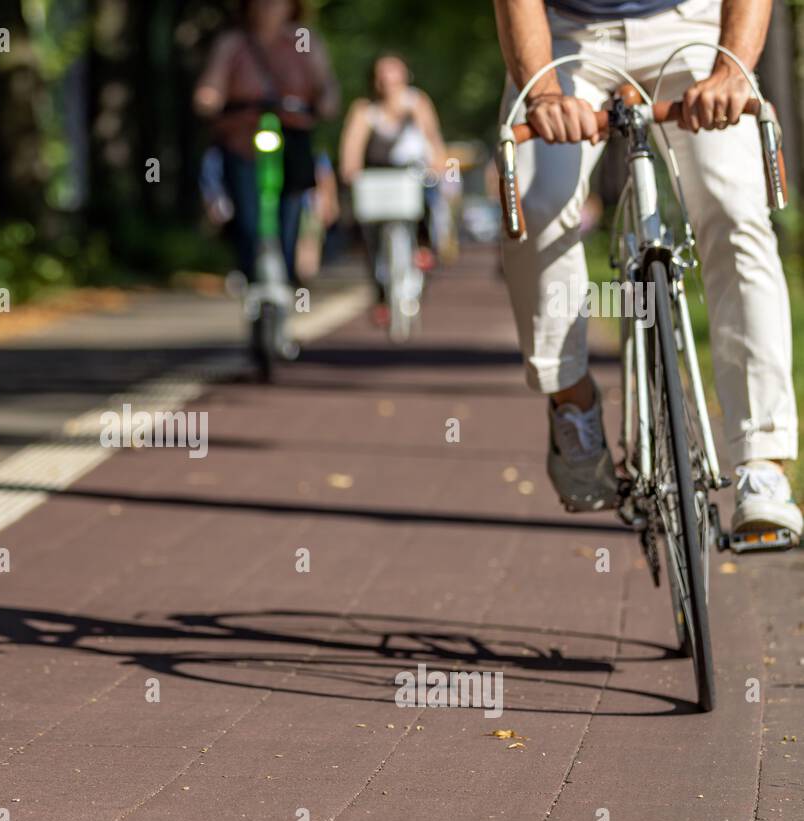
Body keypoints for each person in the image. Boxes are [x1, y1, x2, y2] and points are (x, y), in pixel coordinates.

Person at [494, 0, 801, 536]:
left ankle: (762, 462)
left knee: (735, 209)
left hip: (694, 22)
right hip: (569, 34)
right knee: (538, 201)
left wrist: (731, 68)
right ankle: (572, 403)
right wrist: (543, 95)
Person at [193, 0, 340, 286]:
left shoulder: (303, 39)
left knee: (291, 209)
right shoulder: (233, 43)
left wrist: (325, 102)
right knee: (246, 212)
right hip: (243, 136)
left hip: (293, 132)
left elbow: (325, 85)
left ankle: (286, 271)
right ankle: (248, 269)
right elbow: (212, 84)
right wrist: (208, 98)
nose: (268, 7)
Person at [338, 54, 448, 325]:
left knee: (427, 199)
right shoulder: (365, 110)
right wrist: (350, 171)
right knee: (369, 234)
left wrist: (439, 165)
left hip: (412, 177)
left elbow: (432, 139)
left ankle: (424, 247)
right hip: (378, 179)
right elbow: (351, 148)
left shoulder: (416, 103)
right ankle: (380, 293)